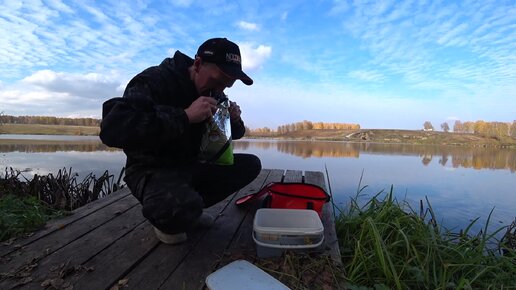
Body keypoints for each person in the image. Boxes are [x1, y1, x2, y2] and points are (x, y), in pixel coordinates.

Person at [99, 37, 262, 244]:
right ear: (197, 64)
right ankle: (172, 217)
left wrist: (234, 120)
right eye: (218, 81)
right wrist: (185, 116)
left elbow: (231, 136)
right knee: (177, 208)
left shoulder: (215, 92)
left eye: (227, 86)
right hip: (150, 170)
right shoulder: (154, 80)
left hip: (191, 166)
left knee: (251, 165)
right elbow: (113, 129)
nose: (221, 90)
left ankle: (190, 210)